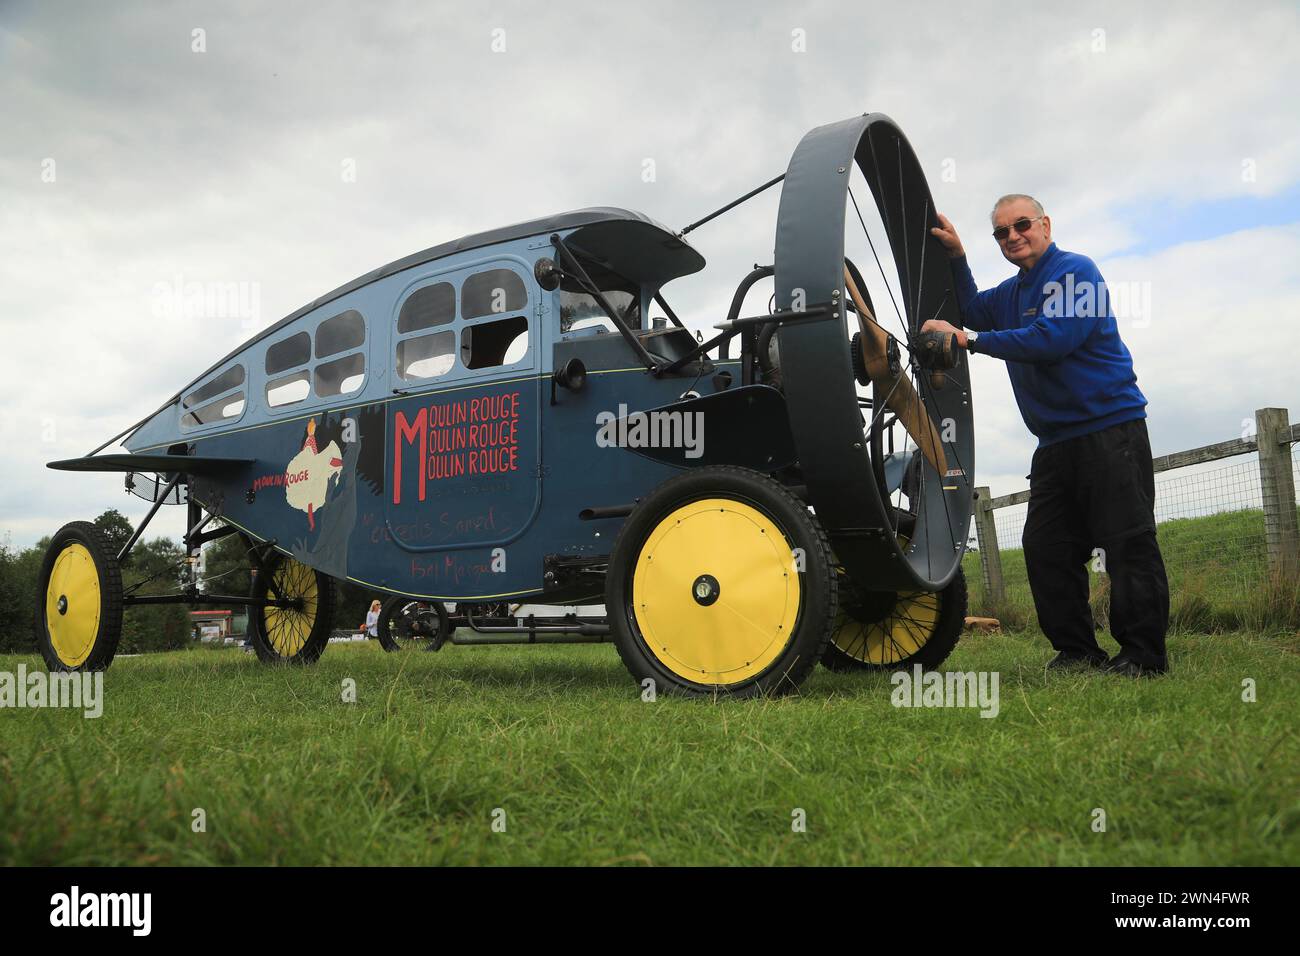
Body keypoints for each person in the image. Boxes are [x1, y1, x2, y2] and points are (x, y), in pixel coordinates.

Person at [922, 194, 1170, 677]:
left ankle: (1143, 655)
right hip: (1054, 444)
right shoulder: (1013, 292)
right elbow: (972, 308)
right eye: (1001, 232)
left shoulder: (1077, 273)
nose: (1012, 236)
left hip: (1109, 431)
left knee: (1126, 545)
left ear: (1045, 225)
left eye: (1021, 225)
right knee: (1046, 547)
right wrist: (957, 258)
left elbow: (1052, 339)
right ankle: (1078, 651)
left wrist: (965, 340)